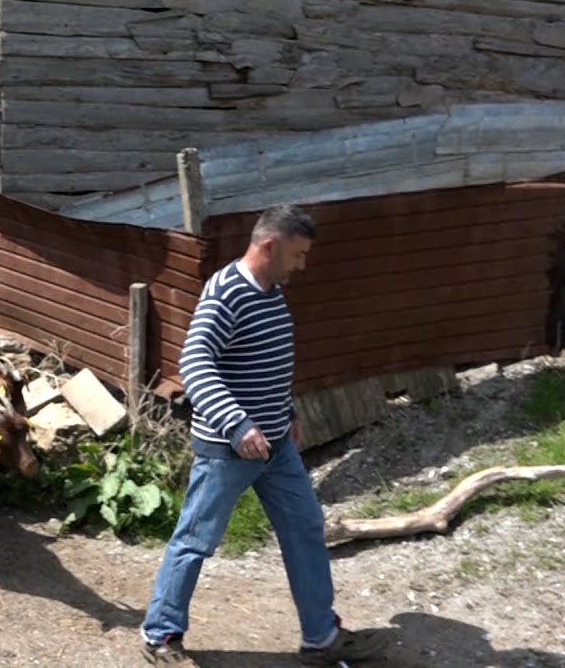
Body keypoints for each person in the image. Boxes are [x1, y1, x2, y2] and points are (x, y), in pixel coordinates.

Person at [139, 204, 387, 667]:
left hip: (275, 446)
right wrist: (237, 424)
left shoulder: (270, 290)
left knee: (306, 528)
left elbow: (266, 359)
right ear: (269, 246)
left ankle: (320, 638)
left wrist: (284, 409)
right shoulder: (225, 292)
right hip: (227, 449)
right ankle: (160, 635)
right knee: (195, 540)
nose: (302, 265)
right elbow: (194, 366)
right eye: (298, 254)